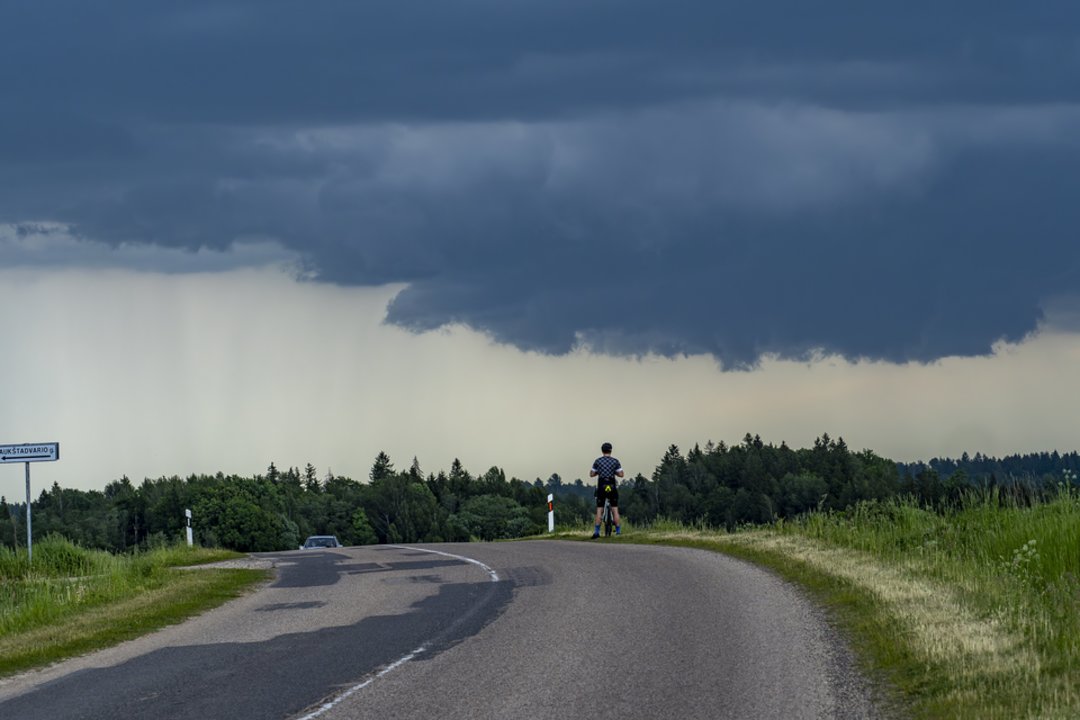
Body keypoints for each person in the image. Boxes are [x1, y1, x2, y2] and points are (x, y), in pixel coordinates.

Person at [589, 442, 624, 538]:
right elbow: (621, 474)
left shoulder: (598, 461)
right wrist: (614, 472)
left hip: (601, 485)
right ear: (611, 450)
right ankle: (618, 532)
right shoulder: (615, 461)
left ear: (602, 451)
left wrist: (598, 472)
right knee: (615, 509)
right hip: (612, 485)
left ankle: (596, 532)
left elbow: (591, 474)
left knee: (599, 509)